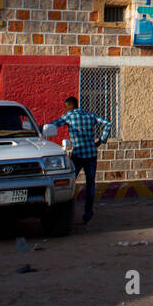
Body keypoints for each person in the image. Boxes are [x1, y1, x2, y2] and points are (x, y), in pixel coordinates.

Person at [50, 96, 112, 225]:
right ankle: (88, 213)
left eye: (66, 107)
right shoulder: (90, 115)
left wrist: (37, 129)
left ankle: (66, 211)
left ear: (70, 106)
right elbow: (108, 123)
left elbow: (54, 124)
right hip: (91, 154)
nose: (65, 110)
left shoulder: (69, 116)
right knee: (90, 184)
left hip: (78, 154)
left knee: (71, 182)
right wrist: (101, 140)